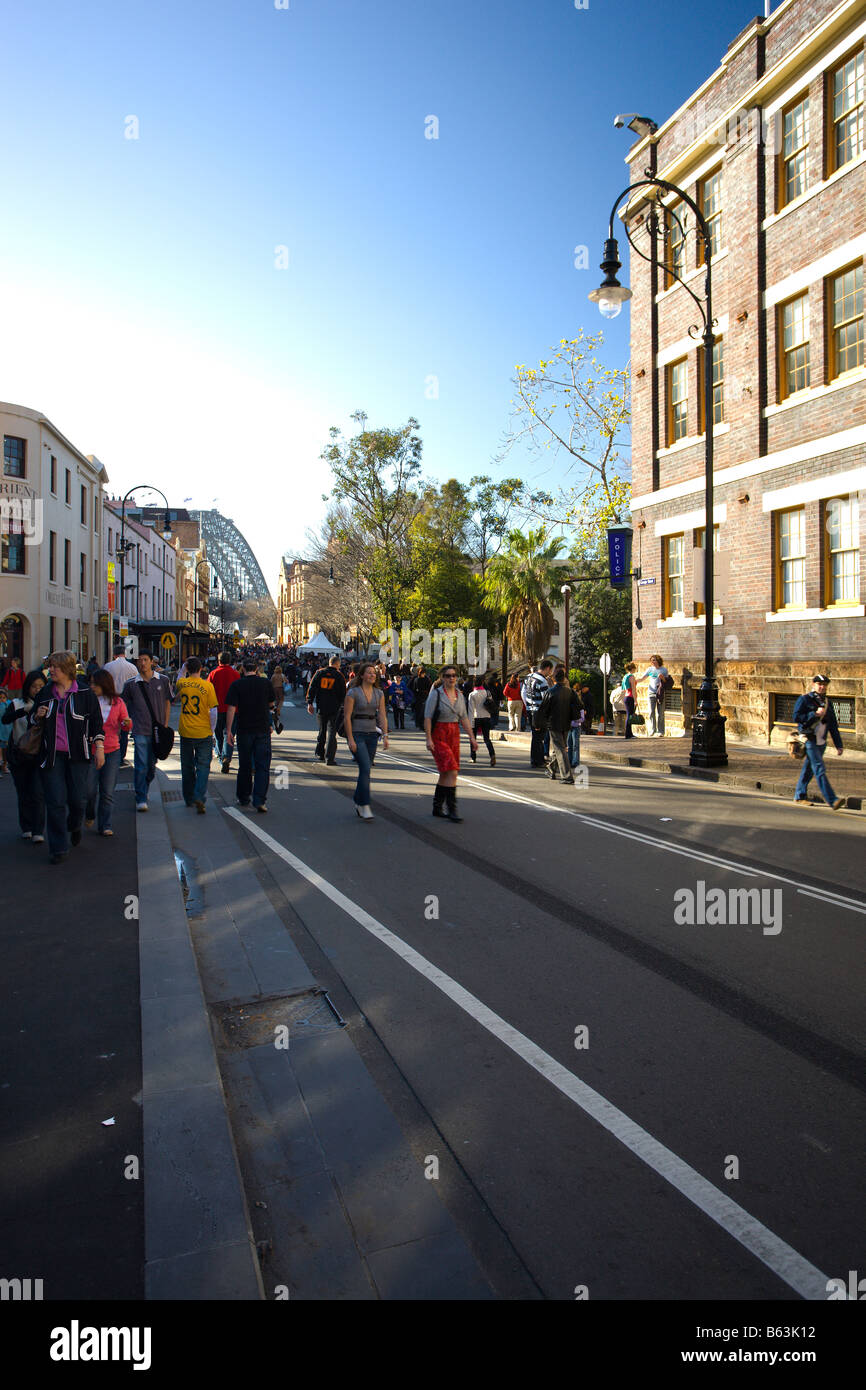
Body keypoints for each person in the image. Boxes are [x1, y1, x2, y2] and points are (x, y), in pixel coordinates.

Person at [31, 651, 105, 864]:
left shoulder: (84, 693)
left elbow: (96, 723)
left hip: (79, 756)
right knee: (55, 801)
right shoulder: (45, 692)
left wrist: (99, 747)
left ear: (67, 668)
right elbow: (32, 720)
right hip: (52, 756)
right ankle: (58, 848)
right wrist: (37, 715)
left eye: (54, 666)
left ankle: (74, 826)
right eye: (50, 666)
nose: (50, 670)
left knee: (78, 800)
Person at [121, 652, 173, 812]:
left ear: (152, 662)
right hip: (140, 729)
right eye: (139, 660)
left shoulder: (163, 680)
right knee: (141, 764)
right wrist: (127, 721)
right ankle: (141, 797)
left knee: (151, 765)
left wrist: (165, 723)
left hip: (157, 730)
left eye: (145, 660)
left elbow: (167, 702)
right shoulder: (131, 684)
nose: (142, 663)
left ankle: (145, 786)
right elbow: (124, 705)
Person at [424, 664, 476, 822]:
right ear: (442, 678)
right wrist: (428, 738)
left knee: (446, 773)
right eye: (448, 676)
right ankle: (452, 809)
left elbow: (464, 718)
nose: (451, 678)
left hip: (454, 733)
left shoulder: (460, 695)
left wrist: (472, 737)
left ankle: (437, 807)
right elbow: (427, 717)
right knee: (452, 770)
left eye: (453, 675)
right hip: (439, 733)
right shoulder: (436, 694)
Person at [85, 669, 132, 835]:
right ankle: (89, 813)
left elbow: (126, 725)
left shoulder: (117, 702)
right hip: (90, 750)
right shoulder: (88, 700)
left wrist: (126, 723)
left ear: (103, 684)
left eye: (94, 684)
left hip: (112, 750)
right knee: (89, 790)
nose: (92, 686)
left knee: (107, 792)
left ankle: (105, 824)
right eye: (90, 683)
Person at [3, 669, 47, 840]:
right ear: (27, 687)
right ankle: (26, 826)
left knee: (38, 792)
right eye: (34, 686)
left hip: (39, 755)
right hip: (19, 755)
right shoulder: (17, 703)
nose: (37, 690)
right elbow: (5, 719)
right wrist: (25, 711)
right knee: (23, 792)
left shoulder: (48, 703)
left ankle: (38, 830)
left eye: (41, 686)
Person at [226, 658, 274, 812]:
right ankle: (260, 799)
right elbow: (271, 704)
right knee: (262, 766)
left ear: (243, 670)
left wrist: (229, 730)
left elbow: (231, 708)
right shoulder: (265, 683)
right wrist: (271, 722)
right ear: (257, 670)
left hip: (244, 728)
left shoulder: (237, 685)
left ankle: (243, 796)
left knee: (245, 765)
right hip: (262, 729)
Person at [344, 660, 388, 820]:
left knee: (365, 769)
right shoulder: (353, 693)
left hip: (372, 734)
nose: (372, 675)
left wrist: (385, 735)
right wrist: (350, 739)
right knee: (365, 769)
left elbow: (382, 715)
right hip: (357, 733)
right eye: (369, 672)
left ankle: (358, 800)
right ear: (362, 675)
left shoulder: (379, 693)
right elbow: (347, 717)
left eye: (374, 673)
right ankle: (365, 804)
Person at [793, 674, 845, 809]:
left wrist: (839, 745)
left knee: (809, 769)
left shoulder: (828, 702)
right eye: (819, 684)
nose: (822, 687)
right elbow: (796, 717)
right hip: (809, 740)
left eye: (824, 685)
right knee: (819, 769)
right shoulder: (805, 699)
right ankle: (832, 800)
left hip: (821, 742)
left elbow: (833, 725)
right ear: (813, 685)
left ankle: (799, 795)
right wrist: (814, 714)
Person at [176, 656, 218, 813]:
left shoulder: (183, 684)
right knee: (203, 766)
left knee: (187, 766)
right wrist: (212, 730)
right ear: (201, 669)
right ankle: (199, 795)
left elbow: (179, 678)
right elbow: (213, 711)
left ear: (188, 669)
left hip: (186, 730)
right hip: (203, 731)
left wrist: (183, 668)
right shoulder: (207, 686)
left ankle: (189, 797)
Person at [538, 667, 581, 784]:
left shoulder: (550, 692)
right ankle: (551, 769)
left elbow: (543, 710)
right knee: (560, 747)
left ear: (554, 679)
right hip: (566, 724)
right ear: (564, 678)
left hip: (553, 724)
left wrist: (538, 723)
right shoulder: (570, 691)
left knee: (560, 749)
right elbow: (579, 705)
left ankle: (567, 776)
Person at [307, 656, 347, 765]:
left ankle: (320, 752)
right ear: (338, 664)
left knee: (322, 730)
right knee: (331, 733)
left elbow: (312, 688)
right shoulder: (339, 676)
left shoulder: (319, 673)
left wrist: (310, 702)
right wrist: (343, 705)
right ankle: (329, 757)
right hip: (334, 708)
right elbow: (343, 693)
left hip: (321, 706)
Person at [105, 646, 139, 765]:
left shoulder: (108, 666)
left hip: (110, 700)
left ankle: (110, 752)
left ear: (114, 654)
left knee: (111, 727)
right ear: (125, 654)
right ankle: (121, 756)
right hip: (127, 701)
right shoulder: (132, 668)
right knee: (125, 728)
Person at [208, 651, 241, 774]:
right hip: (232, 709)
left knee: (218, 734)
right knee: (230, 733)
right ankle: (226, 755)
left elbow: (208, 690)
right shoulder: (235, 674)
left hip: (216, 708)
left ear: (219, 661)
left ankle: (222, 757)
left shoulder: (213, 674)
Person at [522, 661, 554, 767]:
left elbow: (523, 692)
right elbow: (546, 699)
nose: (551, 672)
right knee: (539, 737)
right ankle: (537, 761)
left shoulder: (528, 677)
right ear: (548, 668)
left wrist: (528, 704)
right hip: (539, 712)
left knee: (535, 736)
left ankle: (536, 759)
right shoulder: (542, 681)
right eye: (551, 670)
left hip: (529, 710)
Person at [636, 655, 669, 737]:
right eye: (651, 660)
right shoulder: (650, 669)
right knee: (651, 712)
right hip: (651, 692)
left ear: (658, 660)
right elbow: (643, 678)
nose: (652, 662)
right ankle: (653, 730)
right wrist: (635, 681)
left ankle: (661, 731)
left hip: (660, 693)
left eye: (654, 660)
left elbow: (667, 682)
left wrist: (662, 678)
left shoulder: (664, 670)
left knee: (660, 713)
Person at [468, 677, 496, 766]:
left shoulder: (472, 694)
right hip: (486, 717)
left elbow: (471, 710)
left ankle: (473, 757)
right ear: (482, 683)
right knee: (487, 739)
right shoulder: (487, 693)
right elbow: (491, 704)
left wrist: (470, 723)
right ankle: (492, 755)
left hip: (476, 718)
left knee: (473, 738)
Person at [568, 679, 584, 768]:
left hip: (576, 726)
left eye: (577, 691)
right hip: (569, 726)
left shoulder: (580, 704)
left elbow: (582, 718)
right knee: (569, 745)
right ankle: (569, 760)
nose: (576, 693)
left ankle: (575, 761)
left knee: (575, 745)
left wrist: (576, 720)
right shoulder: (568, 703)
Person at [621, 663, 638, 739]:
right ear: (633, 668)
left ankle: (630, 733)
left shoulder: (626, 676)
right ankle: (628, 734)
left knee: (629, 715)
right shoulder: (631, 677)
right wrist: (635, 700)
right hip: (630, 697)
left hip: (626, 697)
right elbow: (633, 689)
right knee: (629, 716)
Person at [0, 689, 10, 774]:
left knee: (5, 750)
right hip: (1, 732)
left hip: (6, 732)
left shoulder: (8, 705)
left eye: (4, 698)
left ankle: (4, 765)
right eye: (0, 698)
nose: (2, 699)